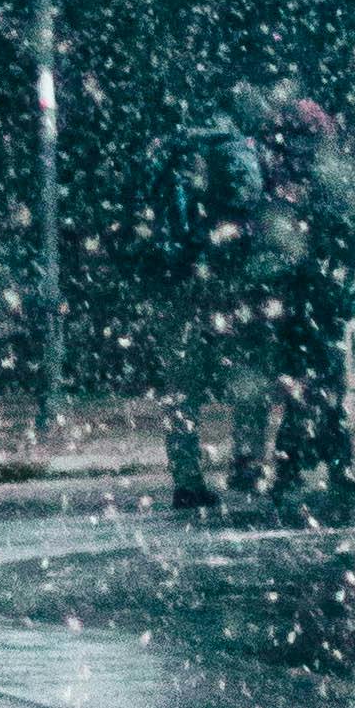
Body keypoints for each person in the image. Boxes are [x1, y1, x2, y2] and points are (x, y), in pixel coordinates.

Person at [155, 81, 279, 515]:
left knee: (182, 390)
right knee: (250, 373)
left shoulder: (173, 149)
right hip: (226, 282)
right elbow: (250, 206)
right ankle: (246, 462)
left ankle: (186, 479)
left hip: (176, 282)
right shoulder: (235, 148)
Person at [263, 98, 355, 516]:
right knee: (323, 385)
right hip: (315, 296)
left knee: (307, 386)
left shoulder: (282, 173)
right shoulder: (315, 178)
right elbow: (334, 228)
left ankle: (301, 468)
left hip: (298, 298)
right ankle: (326, 467)